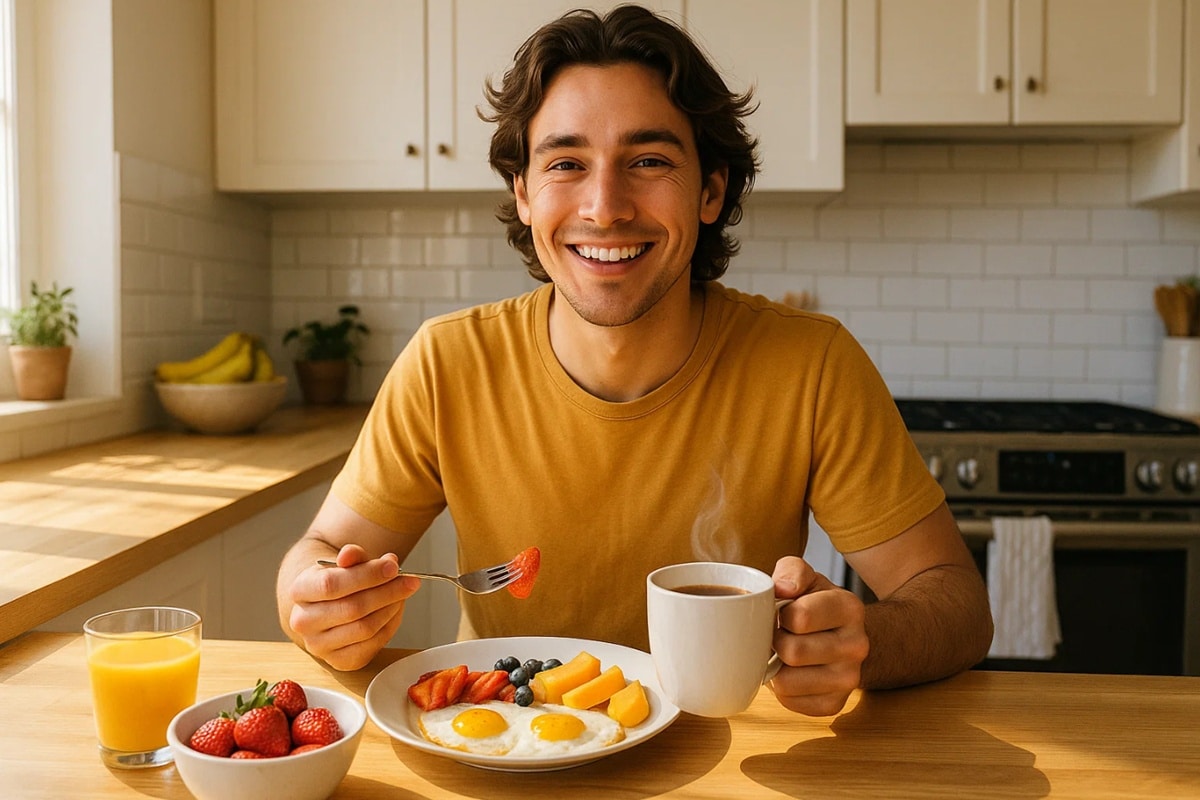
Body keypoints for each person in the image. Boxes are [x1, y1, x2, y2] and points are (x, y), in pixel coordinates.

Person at [276, 4, 992, 717]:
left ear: (710, 190)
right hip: (504, 749)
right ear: (524, 194)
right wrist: (317, 601)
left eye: (648, 161)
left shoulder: (812, 366)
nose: (606, 205)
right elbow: (322, 551)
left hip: (731, 761)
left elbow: (956, 605)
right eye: (566, 163)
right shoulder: (446, 363)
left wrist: (865, 639)